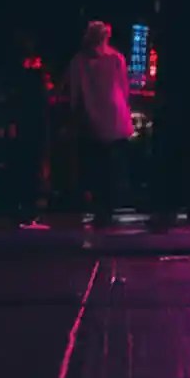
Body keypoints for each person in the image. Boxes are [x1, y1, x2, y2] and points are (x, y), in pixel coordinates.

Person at [67, 20, 134, 227]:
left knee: (94, 167)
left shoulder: (79, 61)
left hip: (92, 120)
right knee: (111, 169)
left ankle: (99, 208)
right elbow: (124, 89)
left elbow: (75, 93)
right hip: (115, 120)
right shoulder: (116, 58)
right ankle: (107, 208)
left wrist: (74, 117)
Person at [5, 32, 51, 228]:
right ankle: (27, 208)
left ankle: (22, 208)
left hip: (27, 125)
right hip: (33, 125)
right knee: (30, 167)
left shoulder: (20, 75)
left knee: (24, 166)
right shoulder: (33, 76)